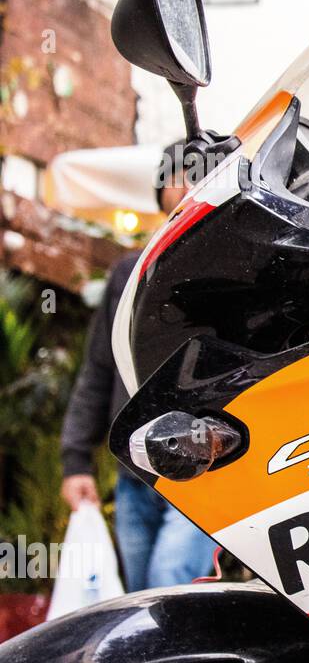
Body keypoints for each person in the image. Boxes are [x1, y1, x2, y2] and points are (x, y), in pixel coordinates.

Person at [59, 144, 215, 592]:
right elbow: (98, 369)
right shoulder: (128, 272)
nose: (188, 181)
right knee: (137, 596)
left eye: (200, 172)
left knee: (168, 580)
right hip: (133, 471)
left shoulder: (228, 268)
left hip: (201, 472)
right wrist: (75, 461)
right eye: (179, 173)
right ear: (161, 189)